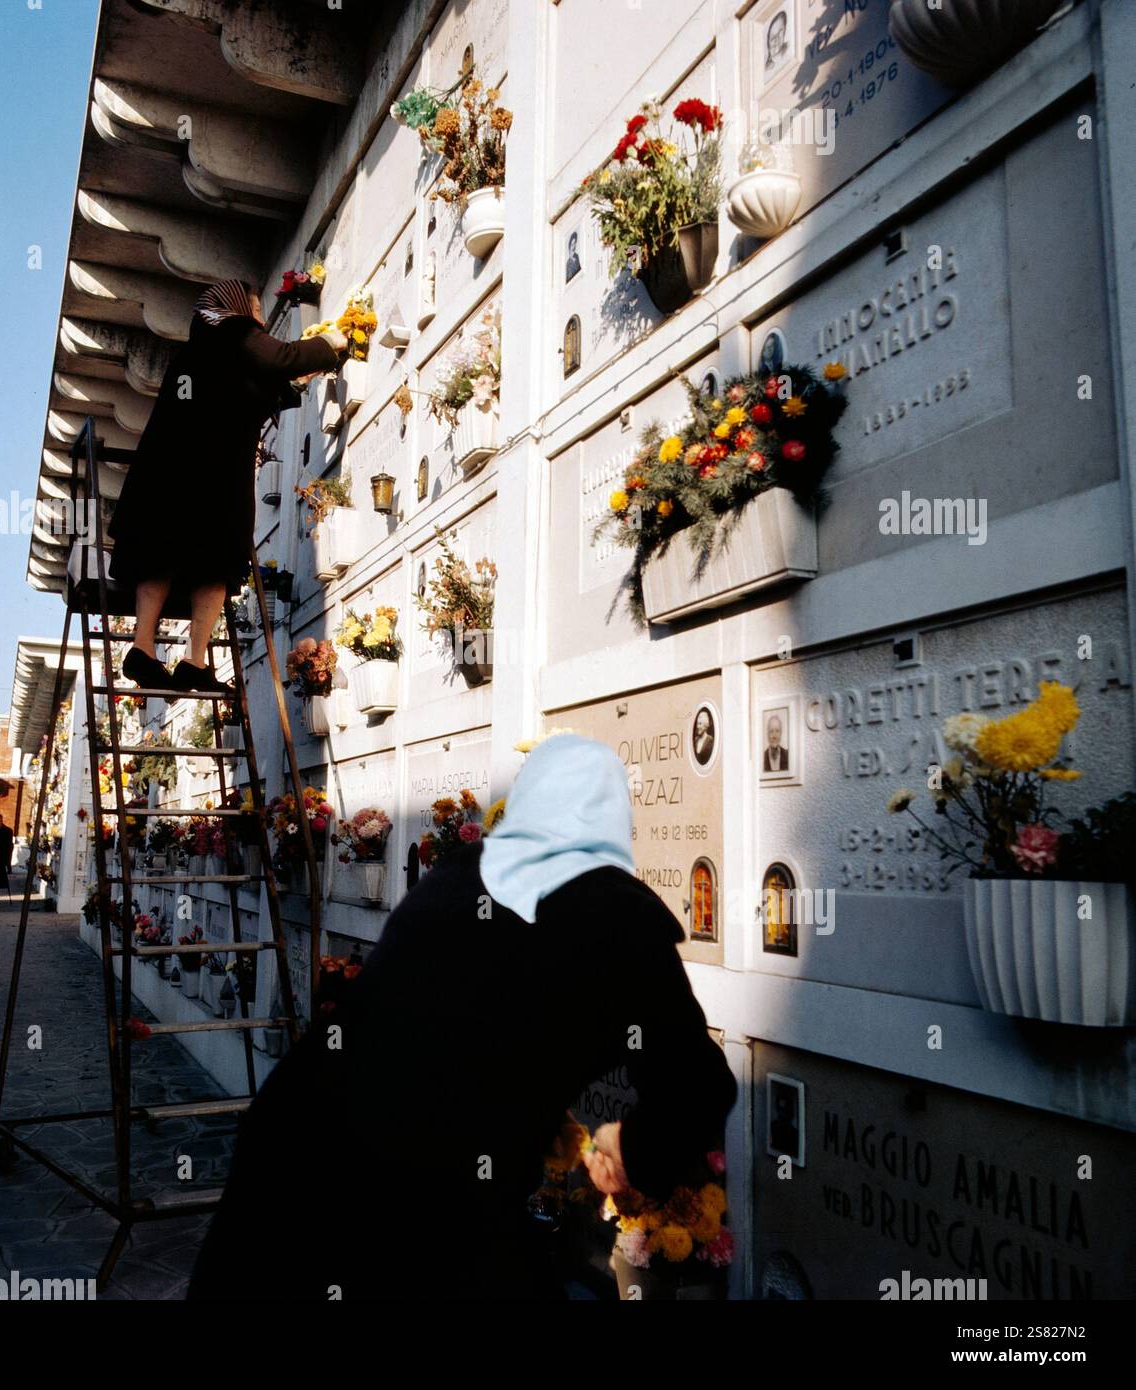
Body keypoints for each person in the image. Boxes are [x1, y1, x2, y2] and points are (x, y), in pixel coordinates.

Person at [187, 734, 736, 1300]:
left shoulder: (460, 875)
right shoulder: (623, 916)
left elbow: (461, 1030)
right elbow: (698, 1089)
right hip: (420, 1206)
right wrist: (631, 1149)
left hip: (290, 1152)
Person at [107, 280, 349, 694]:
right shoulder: (233, 330)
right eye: (255, 308)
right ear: (236, 306)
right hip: (210, 477)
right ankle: (194, 658)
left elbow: (248, 393)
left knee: (160, 556)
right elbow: (282, 357)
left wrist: (291, 385)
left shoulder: (199, 352)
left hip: (166, 474)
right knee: (215, 565)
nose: (259, 318)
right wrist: (332, 343)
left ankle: (143, 648)